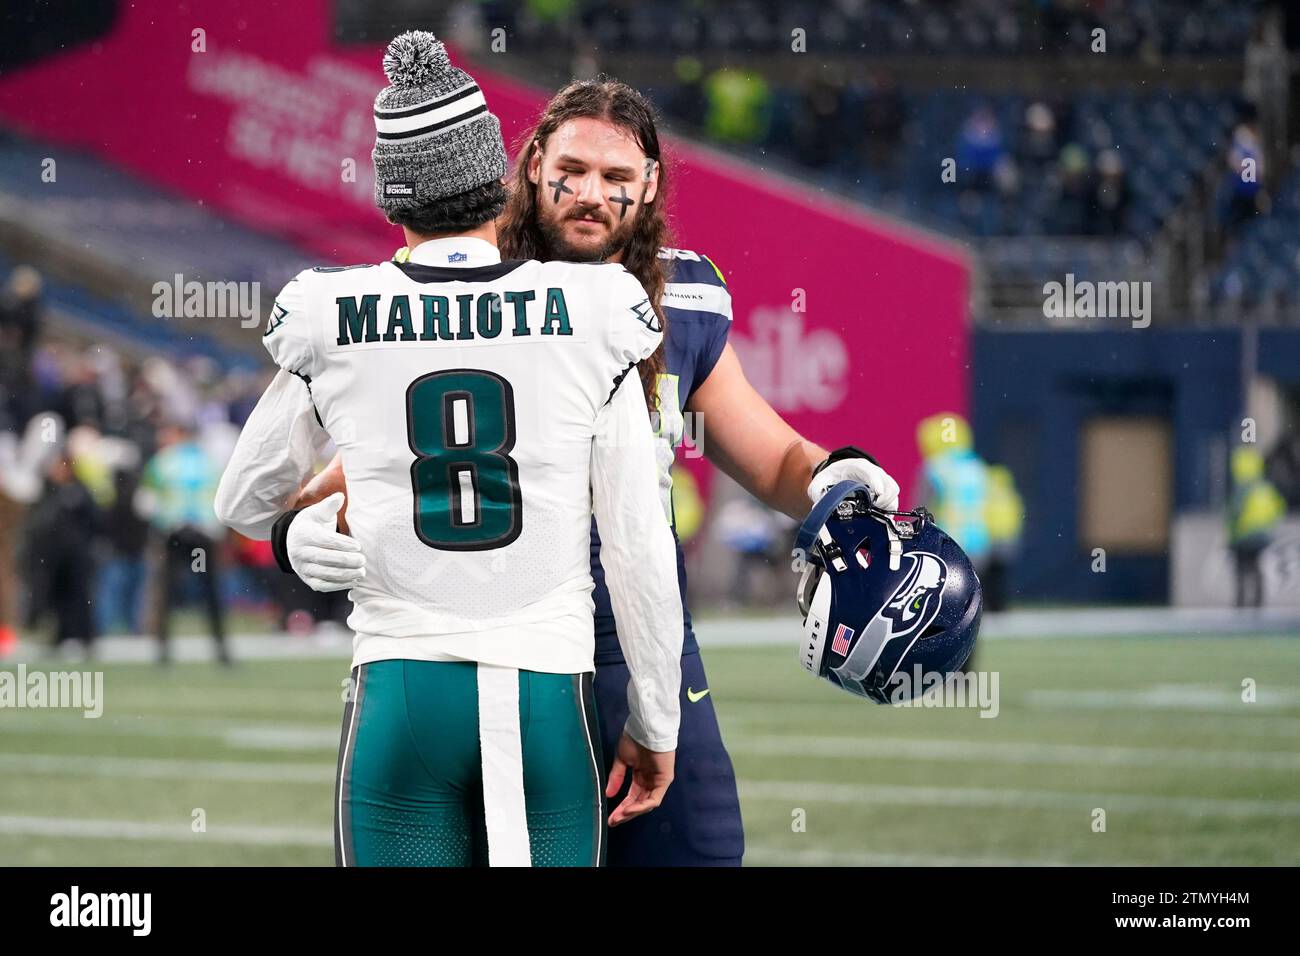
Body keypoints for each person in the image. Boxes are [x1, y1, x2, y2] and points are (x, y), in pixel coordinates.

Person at [277, 76, 902, 866]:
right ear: (532, 165)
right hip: (500, 648)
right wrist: (294, 524)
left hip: (639, 642)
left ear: (650, 187)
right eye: (572, 170)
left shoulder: (687, 299)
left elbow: (773, 454)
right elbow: (363, 468)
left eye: (617, 178)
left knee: (701, 852)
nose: (591, 194)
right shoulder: (458, 287)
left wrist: (834, 479)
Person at [214, 34, 684, 867]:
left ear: (393, 206)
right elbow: (638, 544)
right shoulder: (594, 305)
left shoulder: (335, 311)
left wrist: (292, 536)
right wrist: (656, 720)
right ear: (500, 189)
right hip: (545, 689)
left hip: (402, 690)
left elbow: (243, 501)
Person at [137, 421, 230, 665]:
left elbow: (145, 503)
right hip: (205, 534)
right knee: (211, 593)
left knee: (165, 593)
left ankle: (163, 651)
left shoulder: (164, 461)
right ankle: (221, 649)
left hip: (173, 533)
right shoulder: (210, 463)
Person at [1227, 447, 1286, 608]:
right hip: (1261, 537)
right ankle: (1258, 603)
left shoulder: (1241, 489)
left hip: (1242, 536)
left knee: (1241, 571)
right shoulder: (1265, 489)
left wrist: (1231, 534)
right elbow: (1278, 509)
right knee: (1257, 569)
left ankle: (1241, 603)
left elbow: (1234, 513)